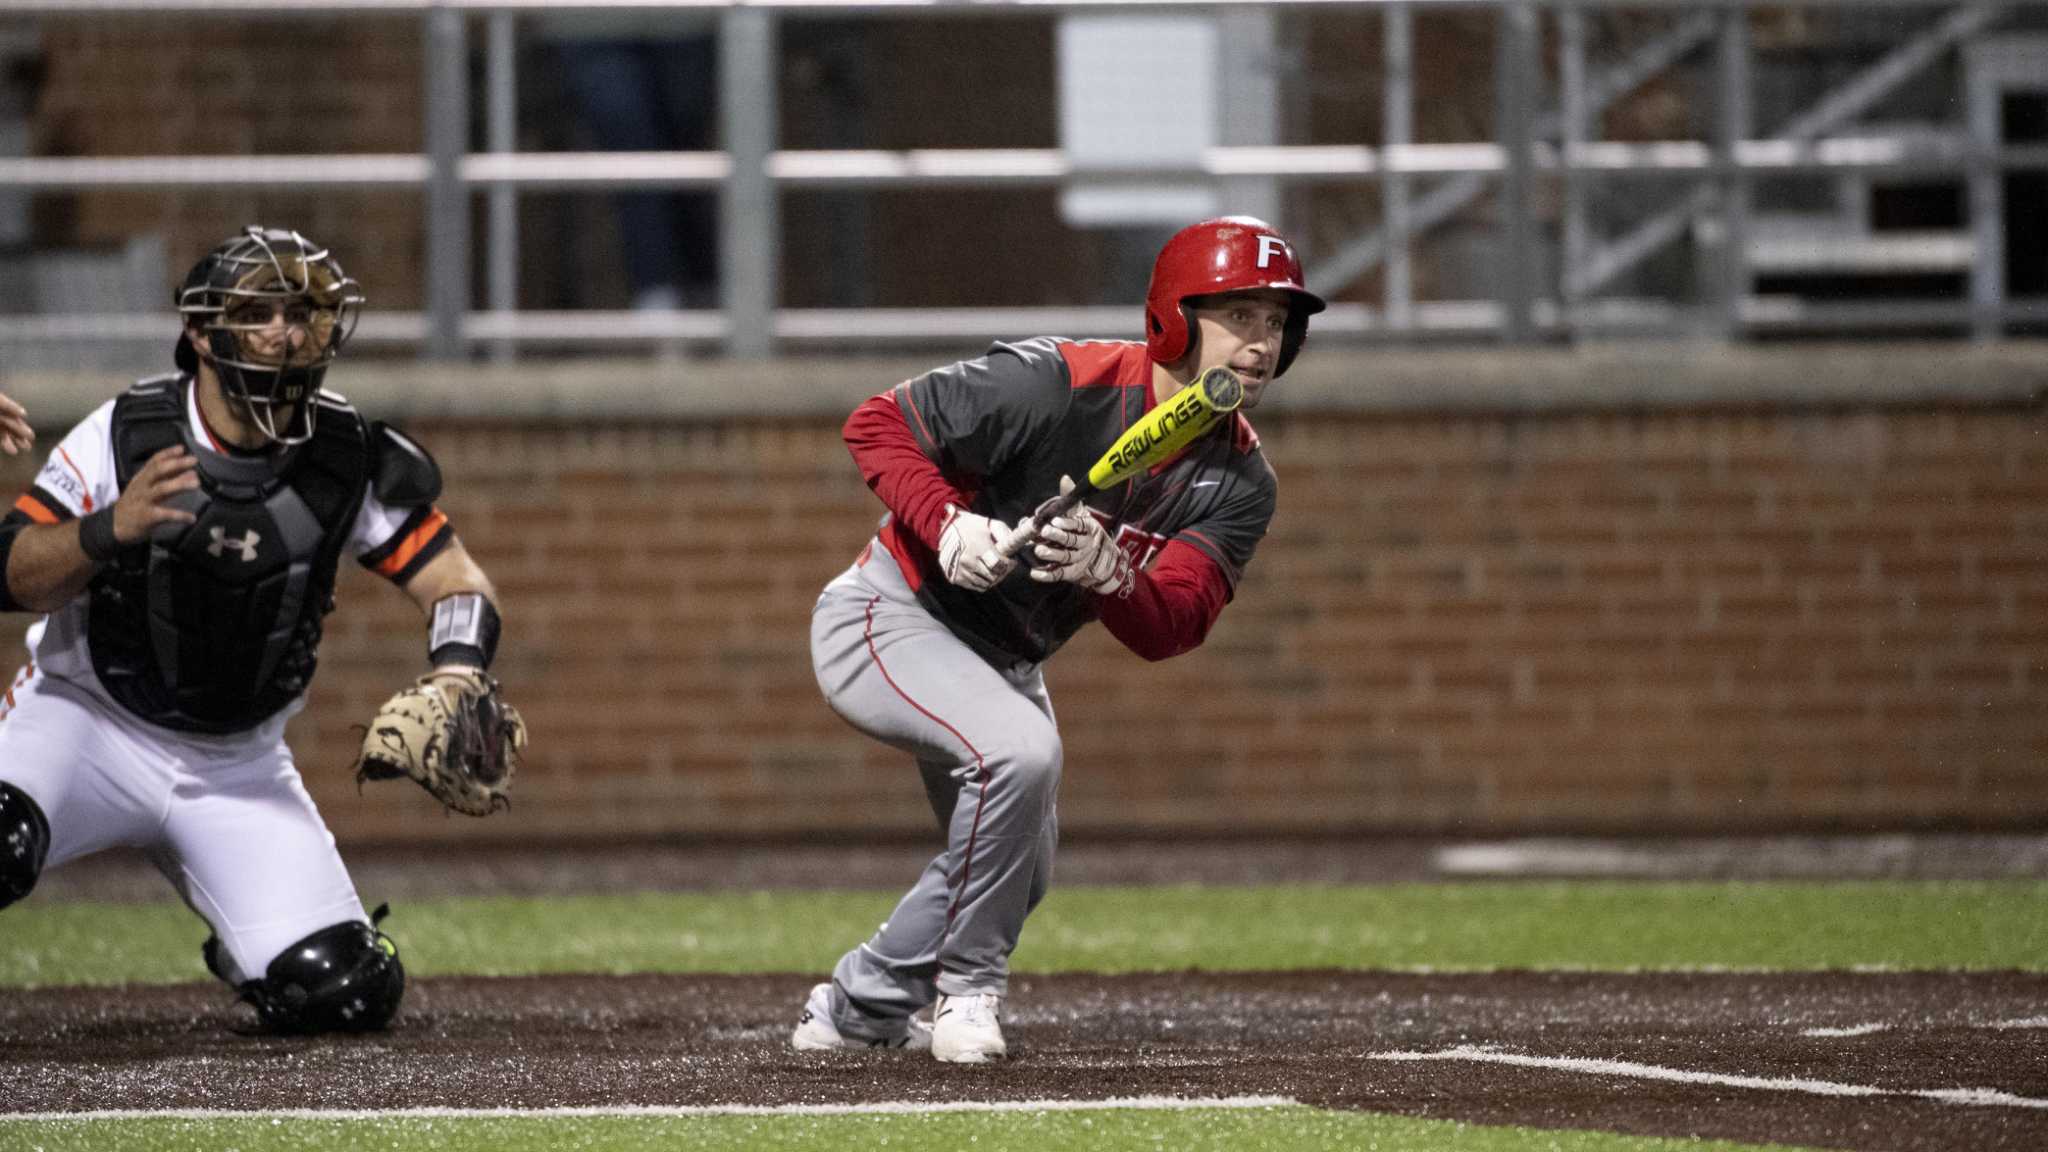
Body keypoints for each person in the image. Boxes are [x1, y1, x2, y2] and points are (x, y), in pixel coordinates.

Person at [789, 215, 1325, 1062]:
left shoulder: (1241, 481)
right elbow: (877, 423)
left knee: (1019, 868)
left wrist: (1117, 579)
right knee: (1023, 756)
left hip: (1005, 658)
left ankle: (859, 1003)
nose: (1262, 343)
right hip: (893, 613)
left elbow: (1172, 624)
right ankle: (966, 994)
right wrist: (950, 523)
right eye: (1241, 315)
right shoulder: (1057, 382)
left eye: (1275, 322)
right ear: (1176, 316)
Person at [0, 226, 514, 1034]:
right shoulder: (127, 431)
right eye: (258, 311)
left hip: (235, 763)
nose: (286, 330)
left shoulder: (347, 452)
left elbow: (457, 580)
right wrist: (107, 531)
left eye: (303, 309)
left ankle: (254, 947)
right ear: (201, 334)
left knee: (343, 991)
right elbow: (11, 572)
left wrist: (457, 672)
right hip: (84, 720)